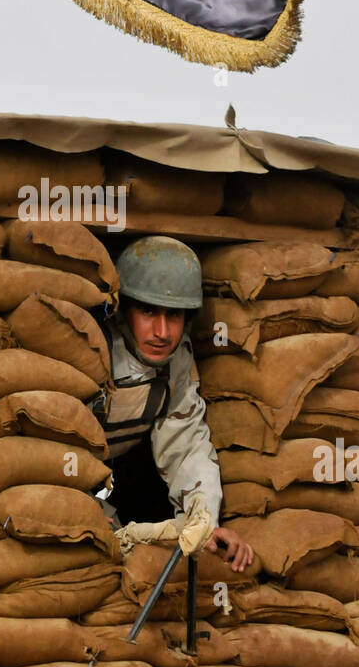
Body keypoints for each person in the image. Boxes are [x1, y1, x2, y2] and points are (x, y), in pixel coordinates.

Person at [92, 235, 253, 572]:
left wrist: (203, 522)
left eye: (174, 315)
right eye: (149, 311)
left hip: (121, 479)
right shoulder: (91, 349)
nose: (162, 331)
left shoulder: (176, 361)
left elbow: (186, 446)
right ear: (124, 311)